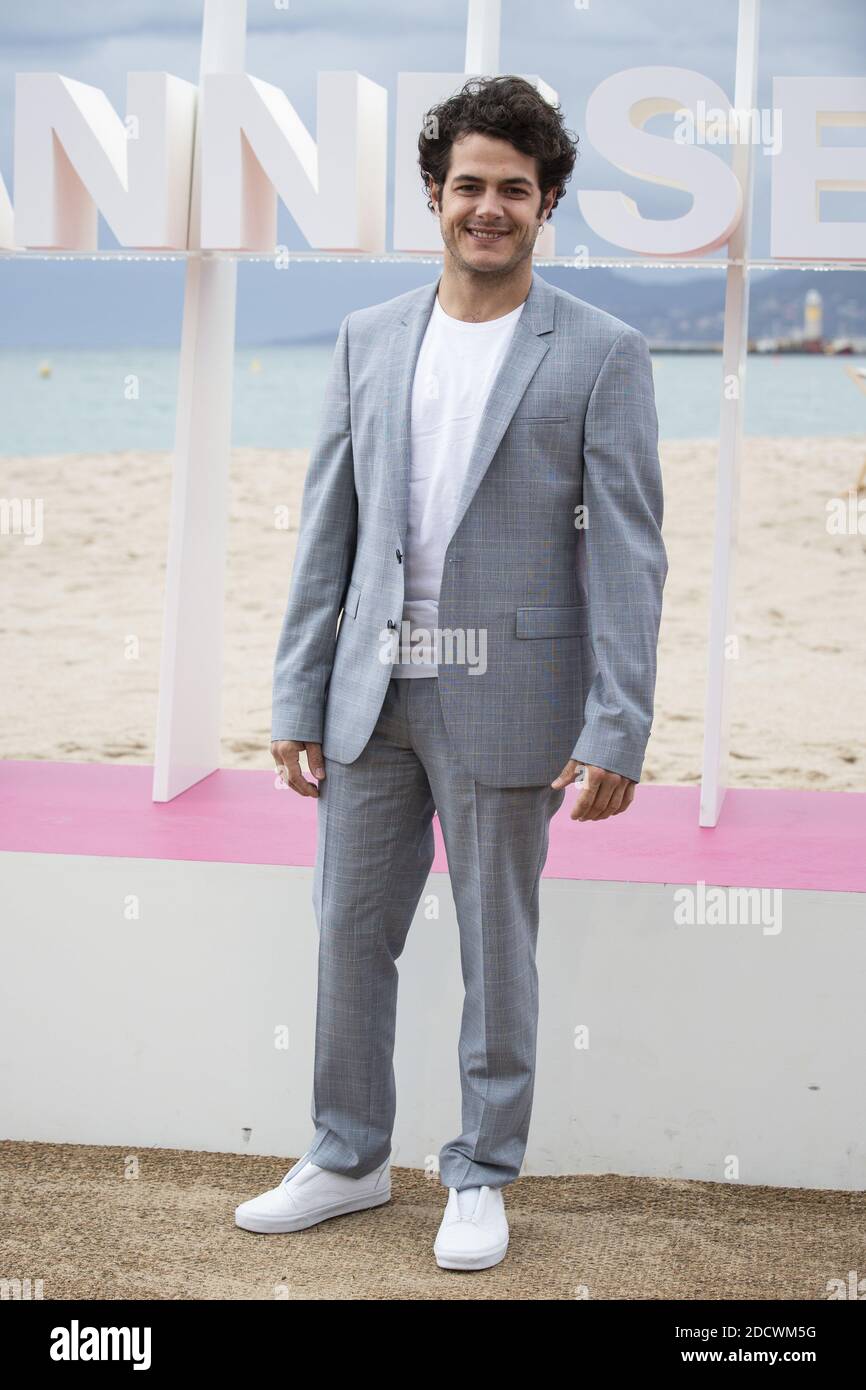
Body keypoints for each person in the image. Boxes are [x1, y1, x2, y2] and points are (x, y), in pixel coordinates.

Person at [235, 74, 668, 1272]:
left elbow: (630, 552)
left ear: (546, 204)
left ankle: (479, 1168)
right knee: (347, 933)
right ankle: (346, 1154)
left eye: (514, 190)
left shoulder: (602, 351)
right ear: (434, 195)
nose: (489, 206)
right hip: (371, 693)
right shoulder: (367, 337)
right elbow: (328, 527)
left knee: (496, 944)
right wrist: (294, 691)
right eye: (468, 185)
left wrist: (617, 720)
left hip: (512, 696)